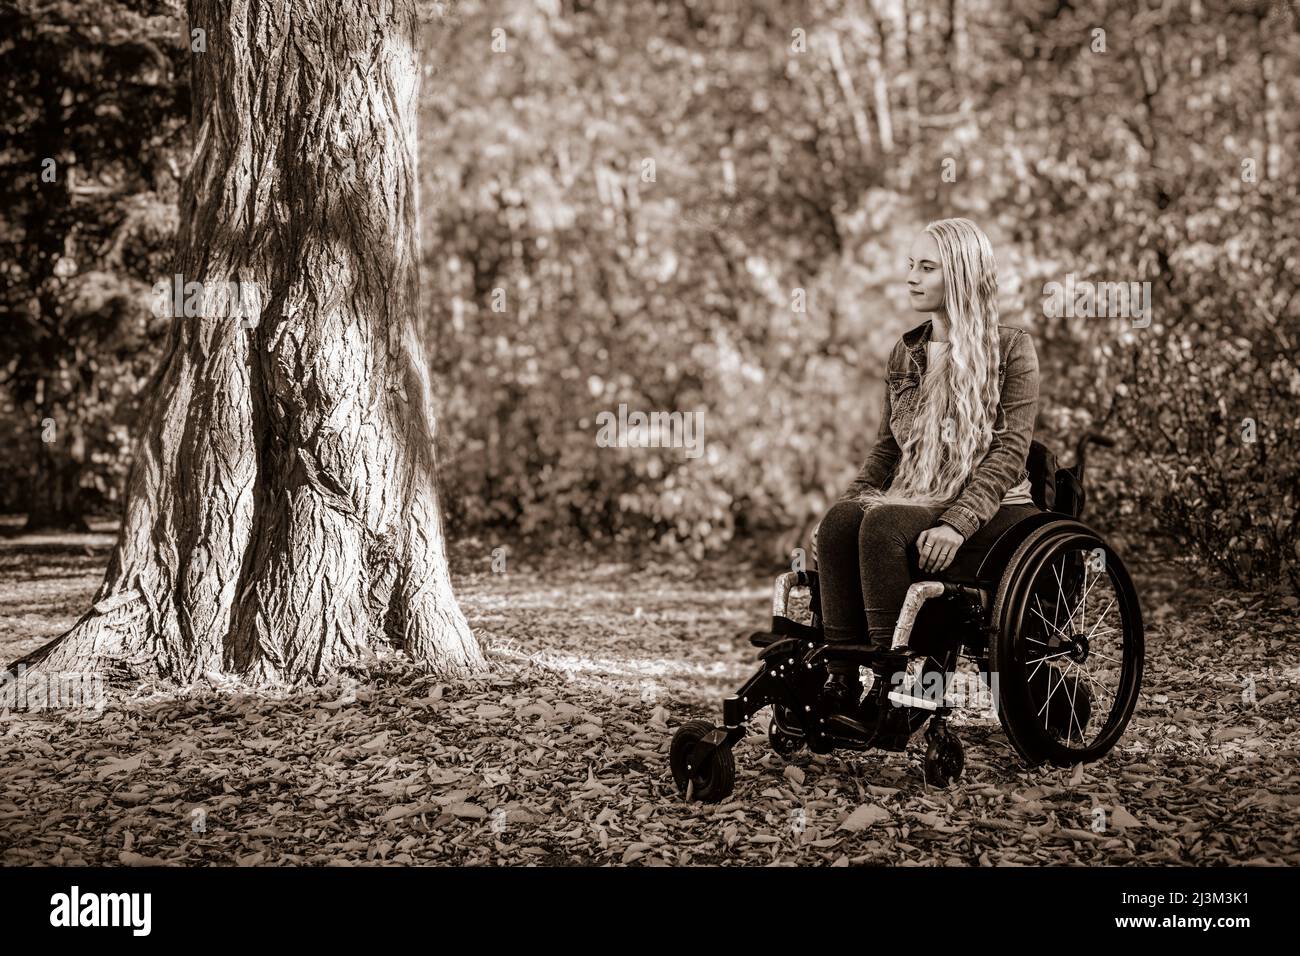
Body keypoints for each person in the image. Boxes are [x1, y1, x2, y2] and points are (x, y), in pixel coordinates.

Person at [813, 217, 1041, 738]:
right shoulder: (907, 351)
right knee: (842, 521)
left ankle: (898, 680)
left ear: (959, 275)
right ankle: (842, 680)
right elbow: (888, 448)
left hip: (996, 509)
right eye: (909, 266)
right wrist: (847, 504)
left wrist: (956, 524)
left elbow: (1008, 452)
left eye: (926, 267)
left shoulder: (1011, 350)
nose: (911, 278)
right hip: (920, 492)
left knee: (884, 527)